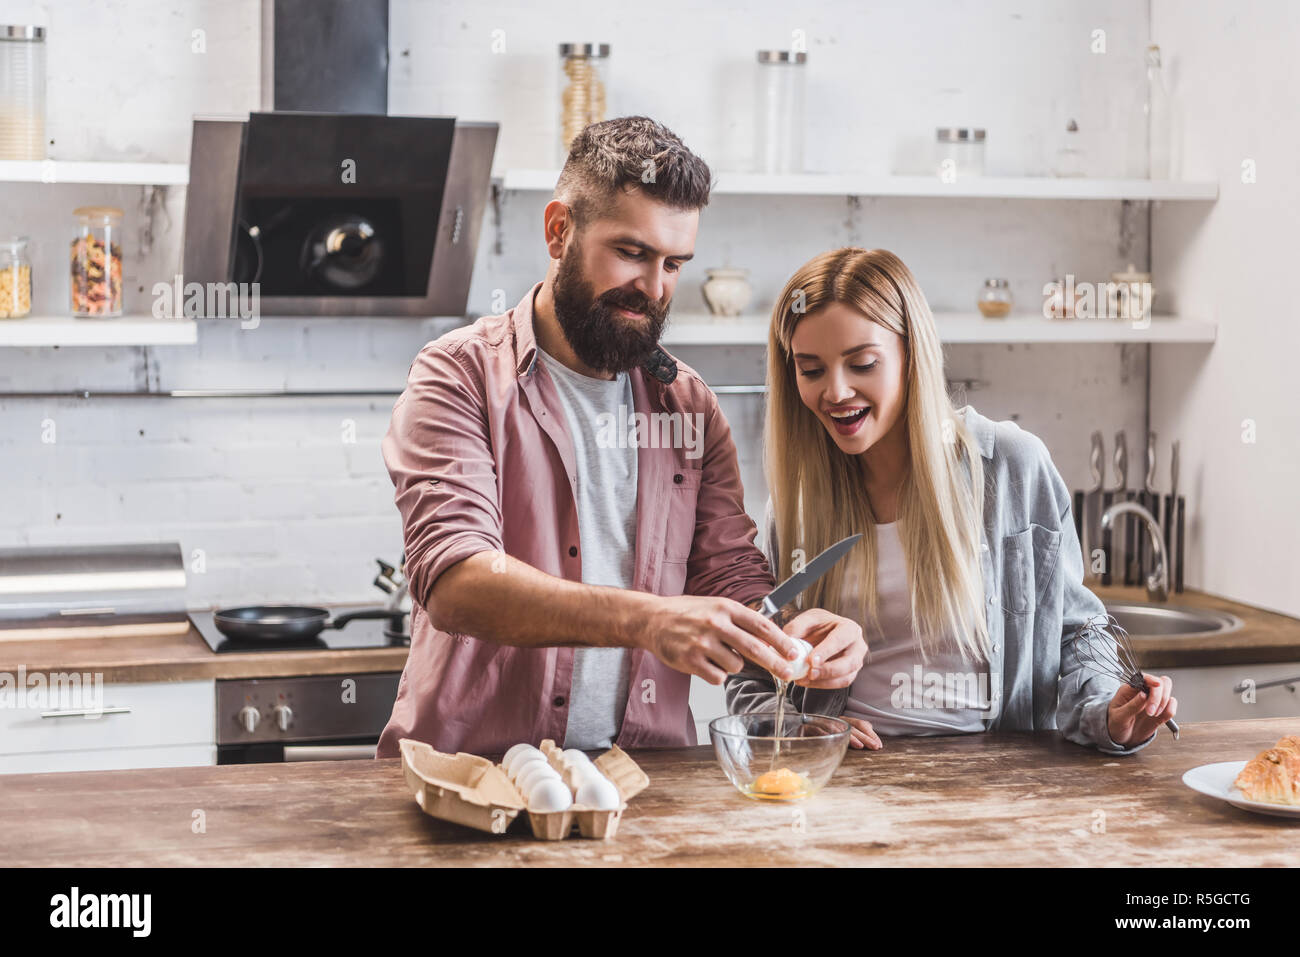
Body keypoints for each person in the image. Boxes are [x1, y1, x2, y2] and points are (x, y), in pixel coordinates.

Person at [375, 117, 866, 758]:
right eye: (632, 253)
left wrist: (793, 637)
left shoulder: (688, 404)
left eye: (674, 264)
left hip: (645, 782)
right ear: (559, 231)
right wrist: (651, 619)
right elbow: (459, 584)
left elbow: (730, 575)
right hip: (472, 778)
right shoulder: (458, 375)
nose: (655, 288)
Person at [726, 247, 1176, 754]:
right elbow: (752, 675)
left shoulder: (1012, 466)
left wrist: (1108, 712)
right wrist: (799, 727)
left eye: (863, 364)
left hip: (997, 779)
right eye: (811, 371)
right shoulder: (800, 505)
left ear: (911, 356)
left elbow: (1076, 634)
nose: (836, 391)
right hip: (851, 780)